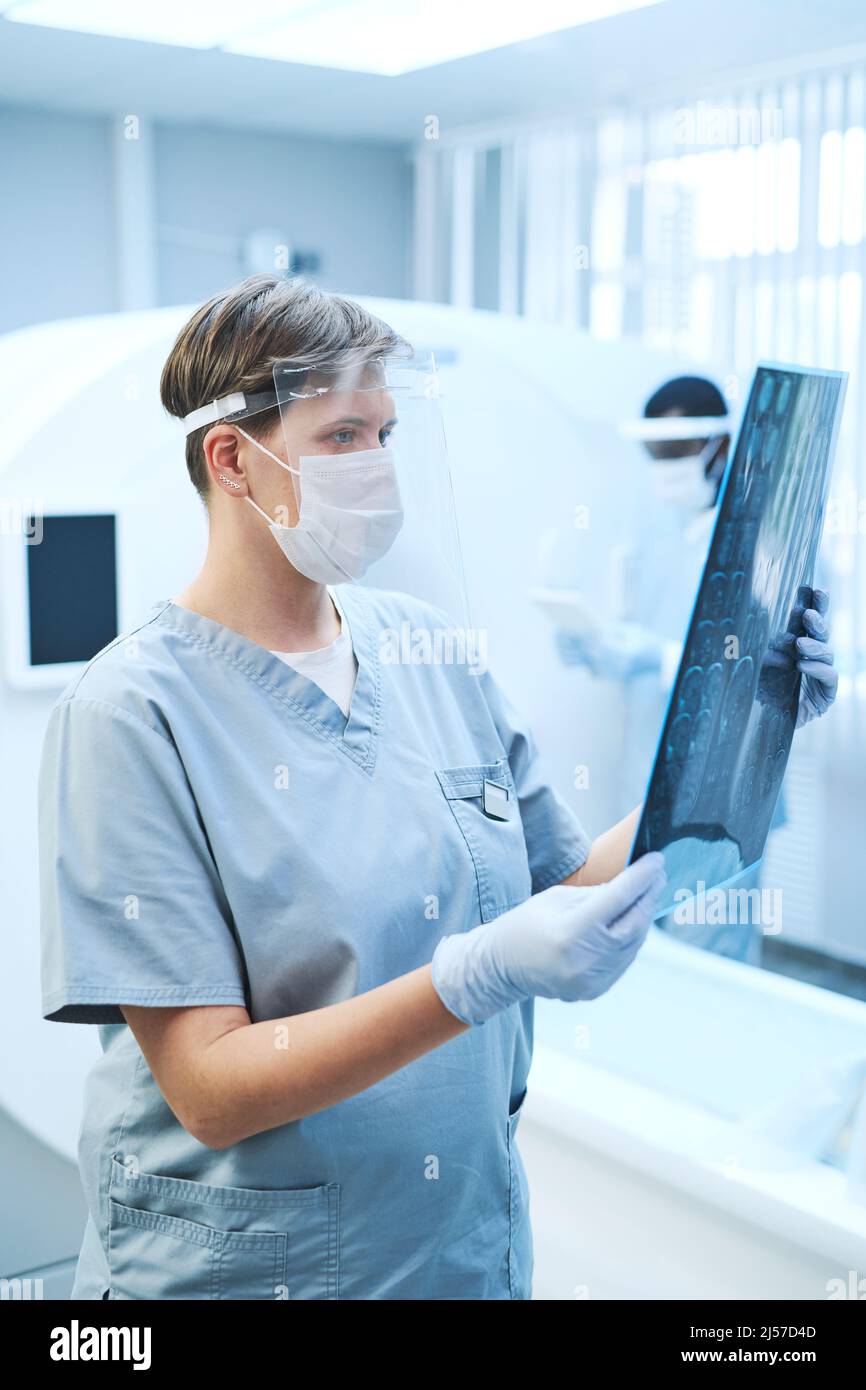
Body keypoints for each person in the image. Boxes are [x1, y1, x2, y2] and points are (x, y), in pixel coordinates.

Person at [38, 273, 668, 1302]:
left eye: (385, 432)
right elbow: (210, 1088)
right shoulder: (132, 713)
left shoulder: (424, 647)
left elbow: (566, 880)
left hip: (453, 1250)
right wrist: (466, 979)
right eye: (341, 436)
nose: (376, 464)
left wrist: (746, 722)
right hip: (251, 1275)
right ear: (233, 458)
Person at [540, 374, 838, 963]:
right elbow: (649, 633)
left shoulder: (772, 541)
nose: (663, 468)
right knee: (654, 954)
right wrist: (599, 650)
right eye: (655, 453)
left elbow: (767, 667)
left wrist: (655, 656)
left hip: (727, 785)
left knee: (714, 957)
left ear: (719, 446)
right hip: (652, 779)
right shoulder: (662, 531)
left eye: (676, 452)